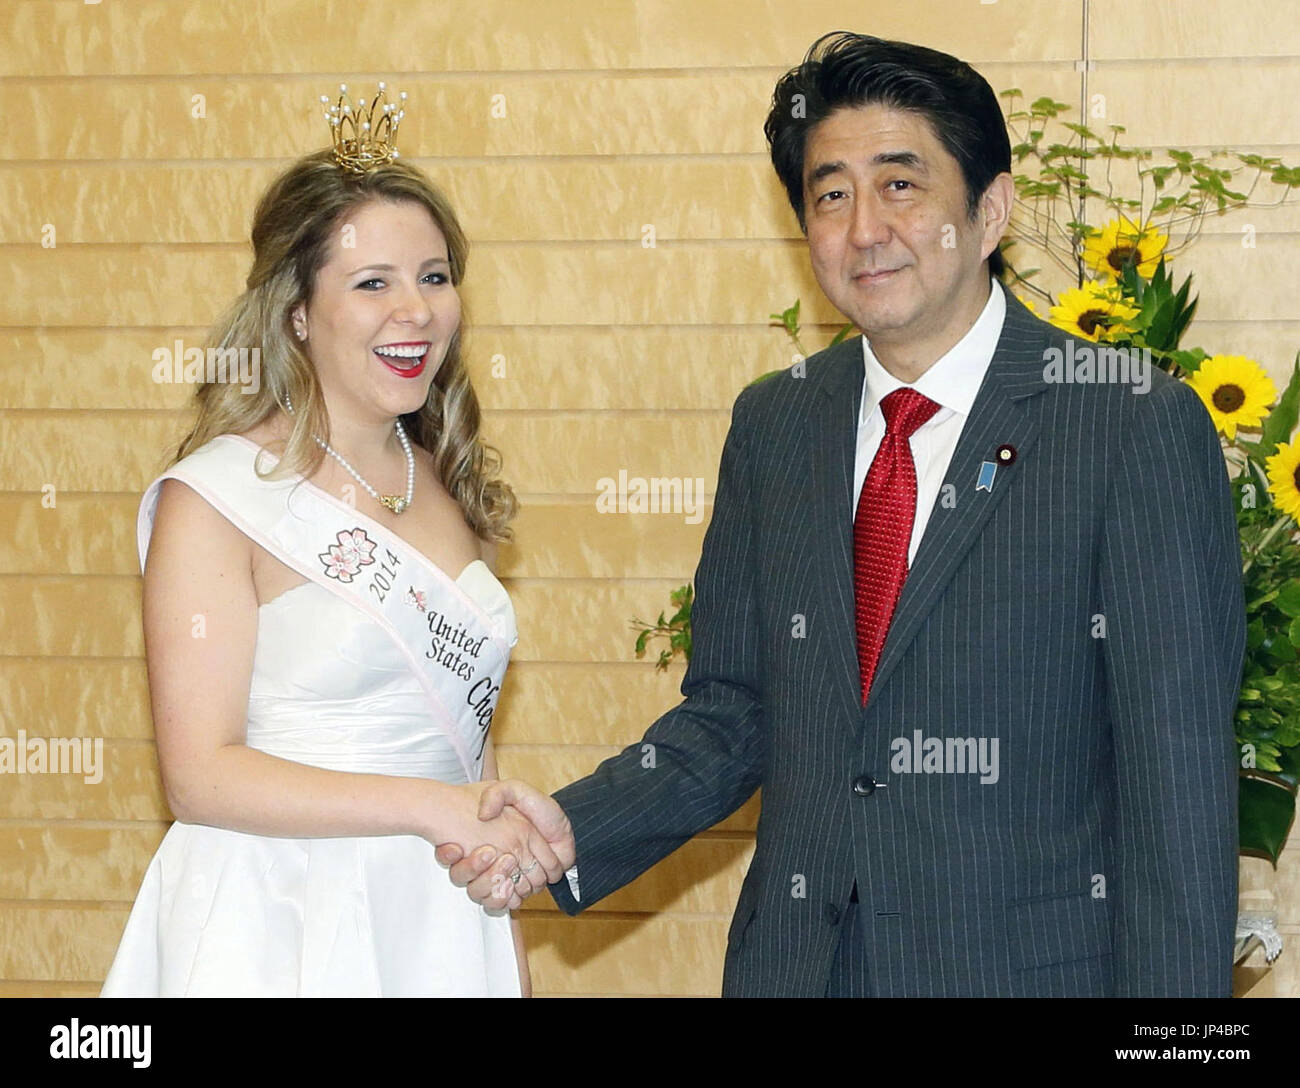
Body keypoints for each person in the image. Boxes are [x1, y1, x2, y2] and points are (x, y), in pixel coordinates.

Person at [436, 33, 1246, 997]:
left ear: (989, 210)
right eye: (830, 194)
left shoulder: (1128, 422)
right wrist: (578, 828)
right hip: (800, 968)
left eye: (900, 185)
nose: (864, 228)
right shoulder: (776, 423)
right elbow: (737, 708)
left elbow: (1181, 792)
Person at [100, 86, 564, 997]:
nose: (416, 311)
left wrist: (501, 938)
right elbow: (200, 777)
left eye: (434, 277)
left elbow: (464, 742)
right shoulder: (217, 497)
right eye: (372, 283)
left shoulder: (447, 482)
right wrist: (436, 809)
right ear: (298, 312)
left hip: (436, 913)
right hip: (277, 915)